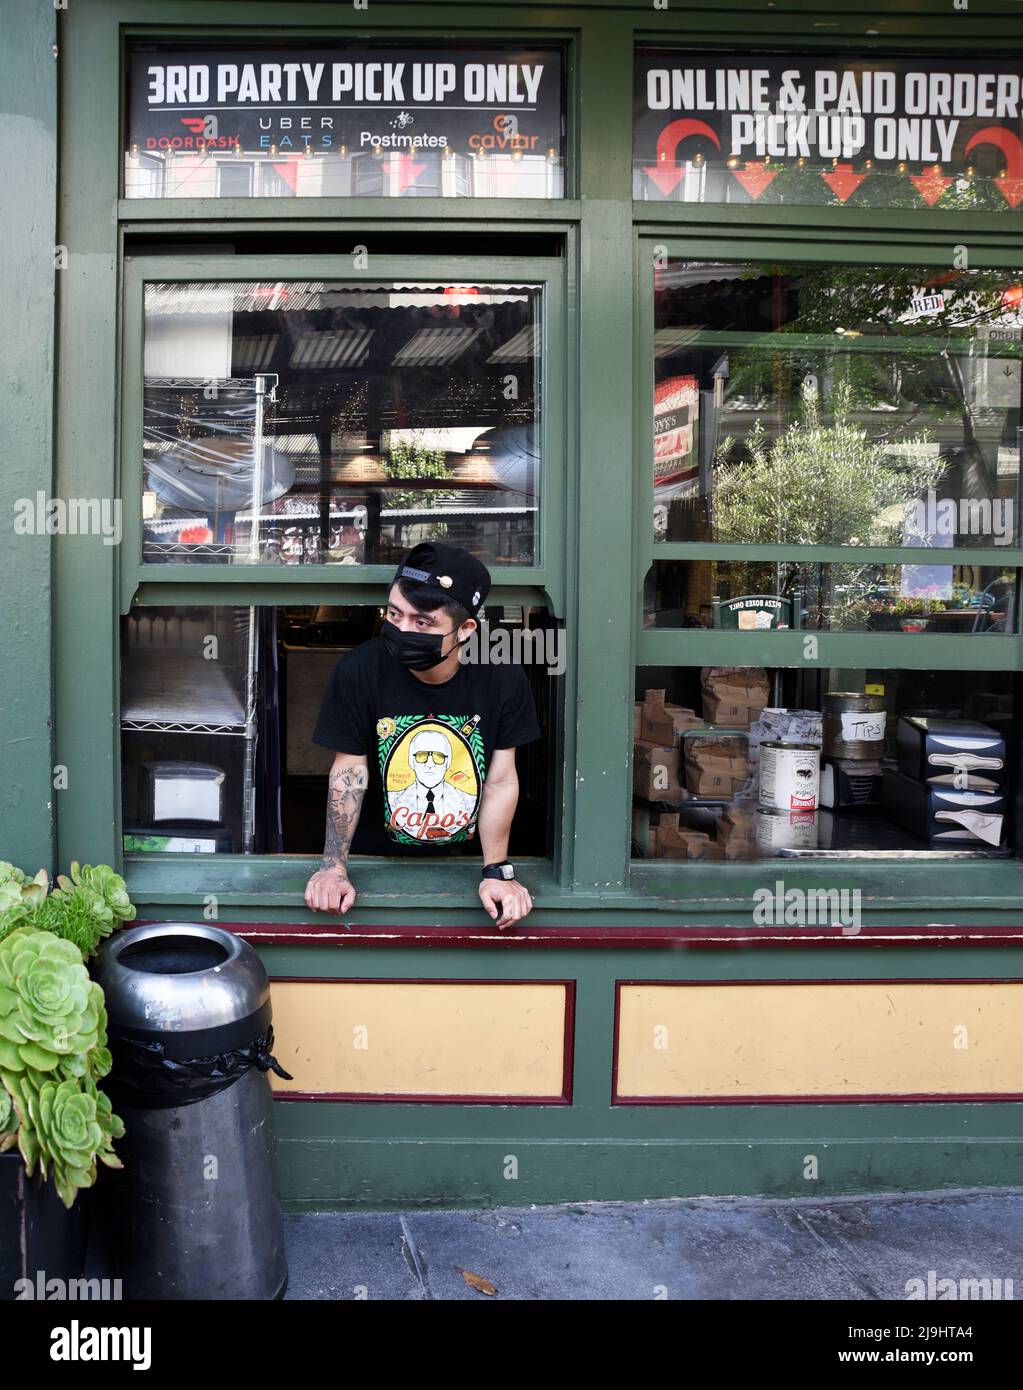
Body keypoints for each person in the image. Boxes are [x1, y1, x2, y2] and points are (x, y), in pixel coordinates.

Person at [304, 541, 541, 929]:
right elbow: (349, 773)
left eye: (423, 623)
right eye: (395, 615)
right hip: (374, 867)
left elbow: (500, 779)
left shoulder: (502, 679)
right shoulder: (359, 671)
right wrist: (333, 867)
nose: (402, 630)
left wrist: (496, 869)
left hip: (465, 869)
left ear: (465, 630)